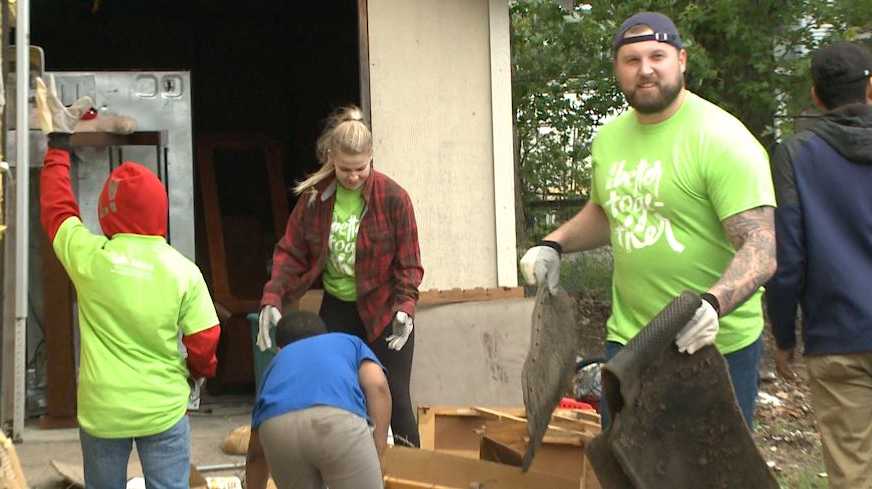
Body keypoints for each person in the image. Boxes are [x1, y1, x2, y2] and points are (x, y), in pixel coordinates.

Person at [520, 12, 777, 428]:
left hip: (712, 346)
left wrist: (714, 304)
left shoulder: (723, 140)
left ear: (682, 60)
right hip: (630, 344)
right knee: (624, 458)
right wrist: (554, 244)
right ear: (617, 68)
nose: (645, 69)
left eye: (657, 56)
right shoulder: (610, 138)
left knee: (707, 463)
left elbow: (761, 247)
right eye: (632, 59)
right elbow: (608, 211)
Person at [35, 76, 221, 489]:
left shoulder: (91, 258)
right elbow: (205, 338)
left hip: (103, 410)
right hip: (163, 407)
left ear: (106, 212)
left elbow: (57, 210)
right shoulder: (183, 270)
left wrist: (58, 147)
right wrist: (196, 373)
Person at [256, 105, 424, 447]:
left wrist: (405, 308)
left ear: (371, 157)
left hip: (384, 311)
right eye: (345, 169)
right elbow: (290, 252)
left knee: (395, 398)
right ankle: (347, 465)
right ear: (332, 158)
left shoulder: (394, 198)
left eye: (361, 168)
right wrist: (272, 298)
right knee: (338, 394)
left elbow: (409, 264)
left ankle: (412, 470)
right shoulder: (315, 198)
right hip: (338, 310)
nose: (353, 177)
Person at [766, 41, 872, 489]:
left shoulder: (795, 155)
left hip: (837, 336)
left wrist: (784, 336)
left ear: (815, 94)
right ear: (870, 88)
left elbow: (788, 256)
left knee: (853, 474)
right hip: (839, 333)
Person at [245, 310, 391, 489]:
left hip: (278, 428)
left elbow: (255, 454)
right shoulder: (347, 342)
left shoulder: (275, 365)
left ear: (279, 348)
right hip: (337, 420)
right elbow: (378, 386)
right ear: (326, 335)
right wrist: (379, 451)